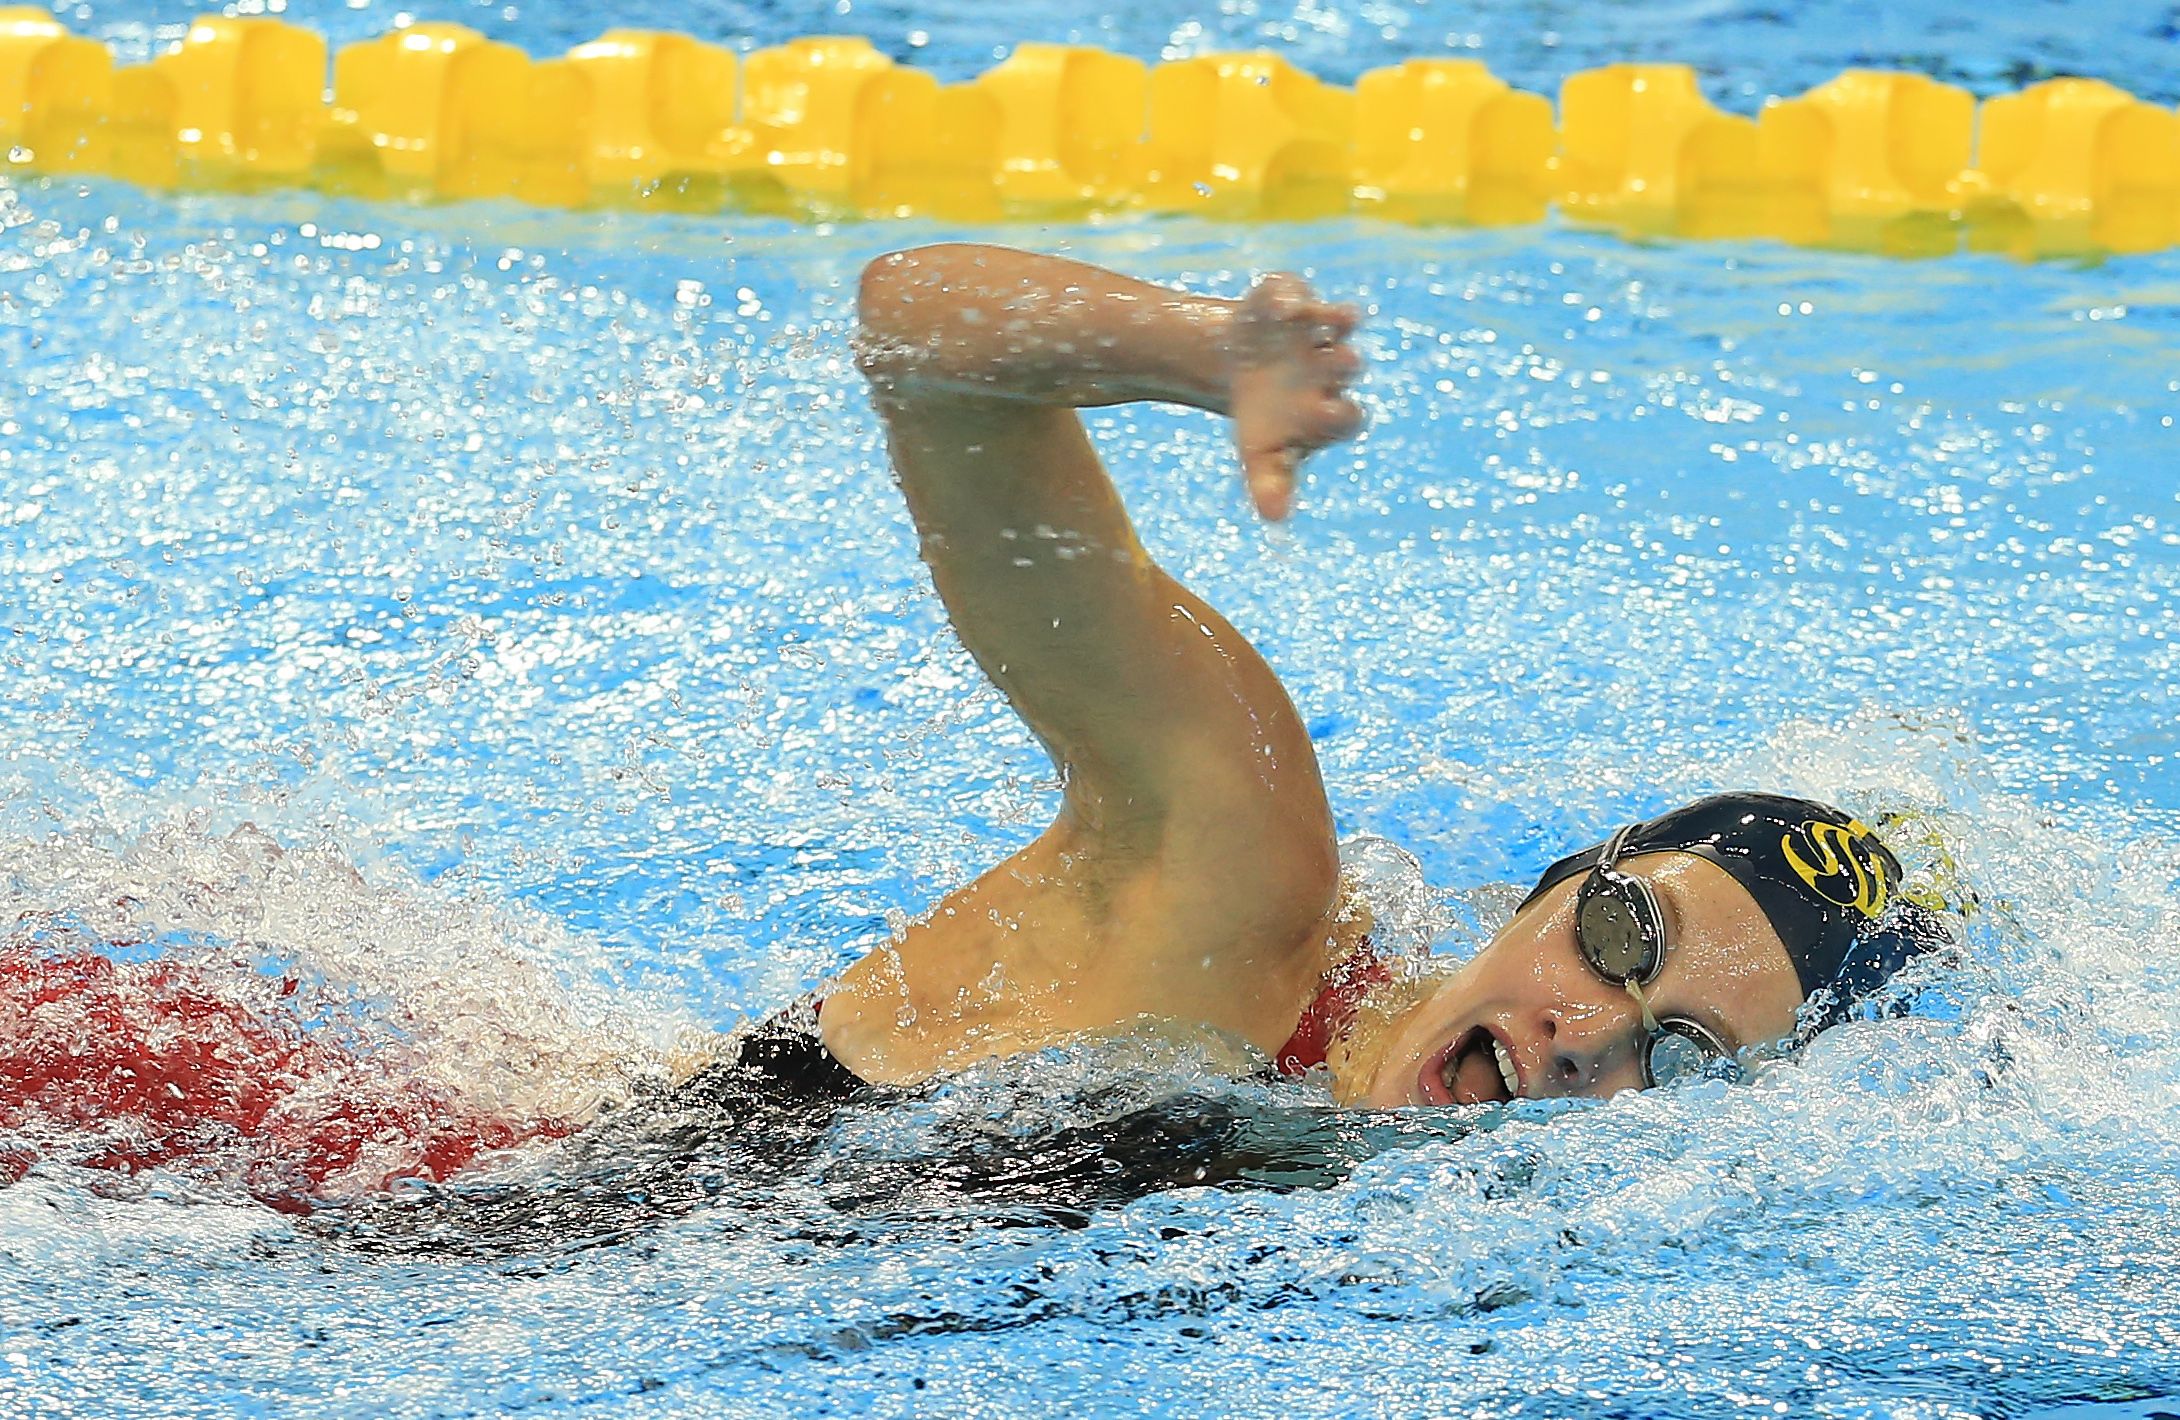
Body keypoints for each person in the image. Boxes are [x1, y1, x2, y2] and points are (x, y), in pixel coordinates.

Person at [690, 242, 1949, 1114]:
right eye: (1624, 937)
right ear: (1553, 885)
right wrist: (1195, 351)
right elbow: (919, 328)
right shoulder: (1234, 889)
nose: (1588, 1037)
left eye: (1675, 1054)